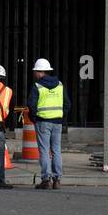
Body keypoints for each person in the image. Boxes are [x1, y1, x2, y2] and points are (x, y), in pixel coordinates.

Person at [29, 58, 68, 189]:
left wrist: (34, 118)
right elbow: (67, 104)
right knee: (56, 150)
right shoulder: (60, 84)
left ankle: (46, 180)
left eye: (35, 71)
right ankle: (57, 180)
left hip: (43, 122)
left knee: (44, 151)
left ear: (40, 72)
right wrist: (61, 116)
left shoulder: (37, 86)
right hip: (57, 122)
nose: (34, 74)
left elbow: (31, 105)